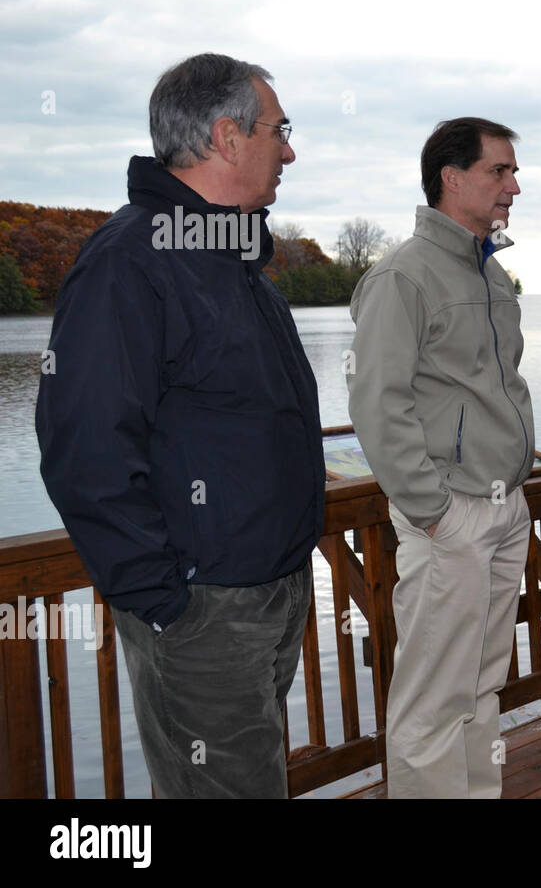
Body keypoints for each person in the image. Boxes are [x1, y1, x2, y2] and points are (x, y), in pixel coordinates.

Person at [35, 53, 323, 798]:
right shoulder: (128, 264)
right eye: (278, 130)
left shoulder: (233, 261)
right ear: (227, 138)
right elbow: (86, 450)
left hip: (269, 590)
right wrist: (165, 601)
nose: (288, 150)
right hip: (204, 607)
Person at [347, 117, 535, 798]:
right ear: (452, 179)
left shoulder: (489, 272)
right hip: (450, 514)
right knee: (432, 698)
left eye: (512, 172)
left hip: (503, 507)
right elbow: (377, 403)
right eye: (500, 171)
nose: (514, 185)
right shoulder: (402, 276)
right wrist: (432, 512)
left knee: (482, 683)